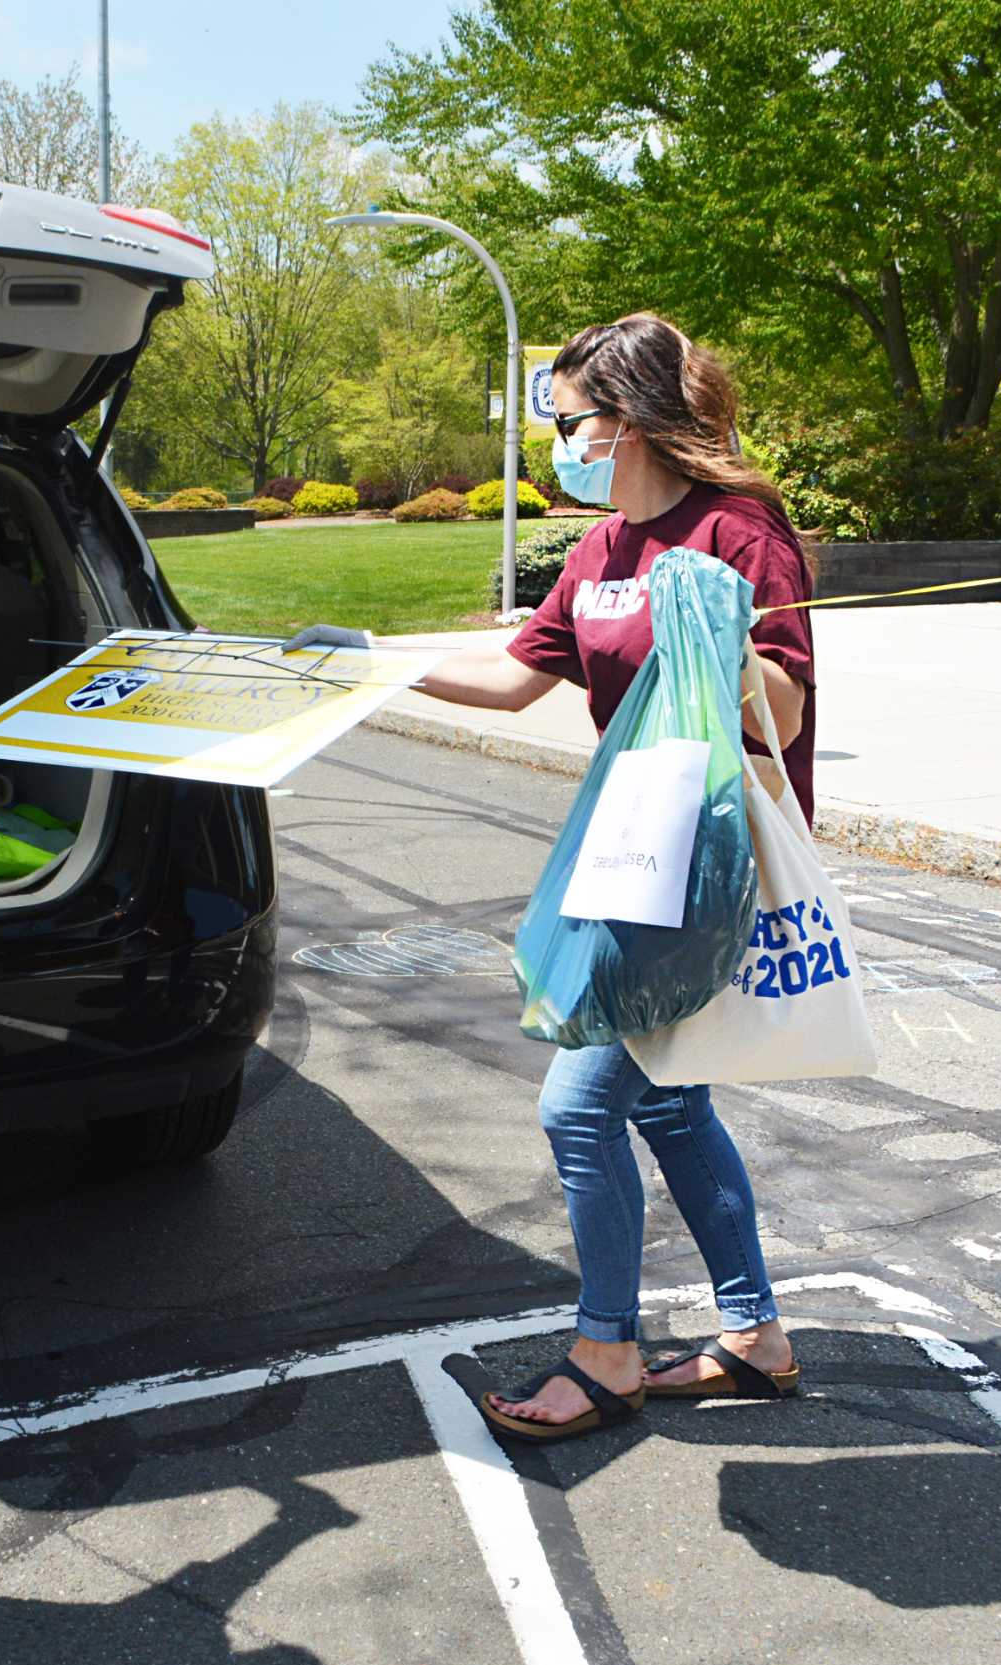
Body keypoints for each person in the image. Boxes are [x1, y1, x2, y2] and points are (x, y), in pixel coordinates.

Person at [290, 313, 812, 1442]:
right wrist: (370, 663)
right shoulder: (598, 550)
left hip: (702, 869)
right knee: (666, 1103)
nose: (558, 444)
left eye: (568, 422)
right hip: (631, 855)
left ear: (627, 420)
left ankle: (606, 1352)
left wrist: (715, 637)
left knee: (578, 1110)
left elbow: (785, 706)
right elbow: (514, 677)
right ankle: (755, 1336)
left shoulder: (735, 531)